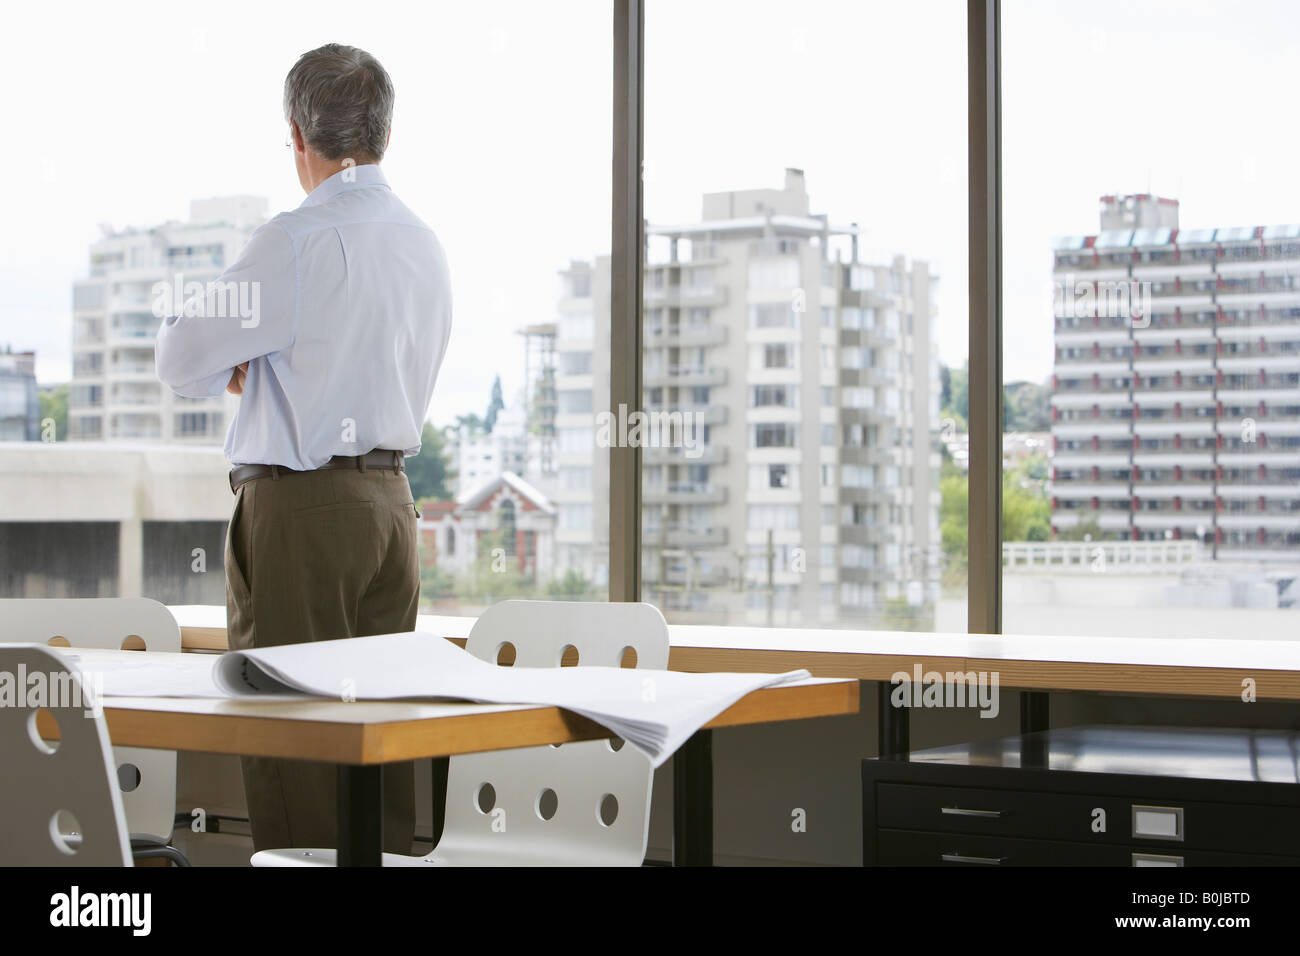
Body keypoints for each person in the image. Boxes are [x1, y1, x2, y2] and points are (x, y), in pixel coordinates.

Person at [155, 43, 452, 854]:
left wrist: (241, 368)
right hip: (392, 510)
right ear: (383, 131)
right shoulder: (425, 244)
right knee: (375, 756)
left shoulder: (295, 240)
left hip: (300, 510)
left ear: (297, 134)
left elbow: (179, 357)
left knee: (296, 750)